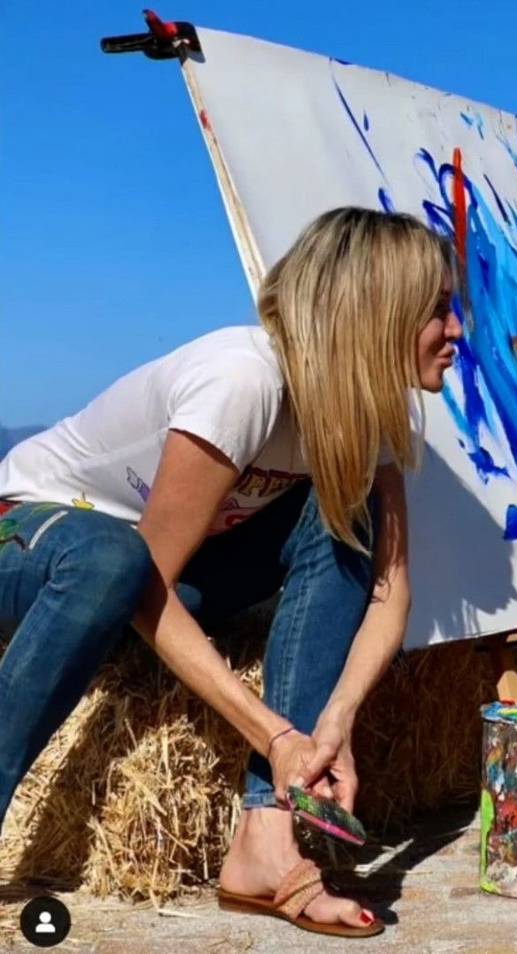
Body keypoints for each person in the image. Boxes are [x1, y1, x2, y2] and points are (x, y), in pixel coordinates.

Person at [0, 207, 464, 938]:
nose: (457, 330)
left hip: (138, 592)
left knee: (343, 516)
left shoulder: (378, 413)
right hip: (34, 544)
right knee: (108, 557)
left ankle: (265, 844)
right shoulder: (243, 379)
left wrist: (331, 729)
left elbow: (389, 587)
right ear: (379, 311)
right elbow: (144, 570)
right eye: (439, 308)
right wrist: (275, 733)